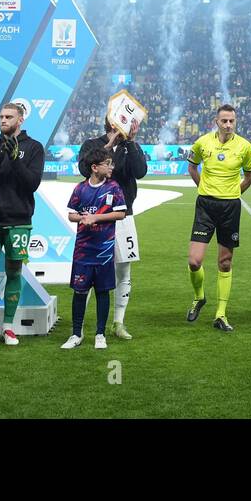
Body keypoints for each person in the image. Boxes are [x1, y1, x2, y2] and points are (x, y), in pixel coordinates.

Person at [0, 103, 46, 346]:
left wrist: (15, 159)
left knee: (14, 271)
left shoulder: (34, 147)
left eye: (8, 117)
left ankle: (8, 327)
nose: (3, 120)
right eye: (1, 116)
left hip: (19, 220)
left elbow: (32, 184)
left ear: (20, 119)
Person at [186, 104, 251, 331]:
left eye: (231, 121)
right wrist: (203, 188)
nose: (228, 125)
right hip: (205, 205)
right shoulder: (202, 143)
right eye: (224, 121)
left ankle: (221, 314)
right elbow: (192, 167)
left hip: (230, 207)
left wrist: (233, 194)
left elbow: (249, 177)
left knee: (225, 263)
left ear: (235, 122)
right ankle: (199, 297)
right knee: (194, 261)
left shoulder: (245, 147)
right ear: (216, 121)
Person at [78, 115, 146, 340]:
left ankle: (118, 322)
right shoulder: (92, 145)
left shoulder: (130, 147)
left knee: (124, 270)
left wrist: (131, 142)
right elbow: (84, 168)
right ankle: (80, 327)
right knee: (89, 269)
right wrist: (109, 145)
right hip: (95, 216)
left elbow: (140, 172)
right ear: (111, 122)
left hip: (123, 216)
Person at [62, 149, 128, 349]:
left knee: (102, 291)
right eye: (107, 163)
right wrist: (83, 218)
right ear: (94, 167)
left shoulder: (114, 188)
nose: (111, 167)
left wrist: (96, 218)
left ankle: (100, 334)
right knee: (79, 292)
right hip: (83, 251)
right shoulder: (80, 189)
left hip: (104, 251)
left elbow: (121, 214)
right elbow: (71, 214)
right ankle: (76, 334)